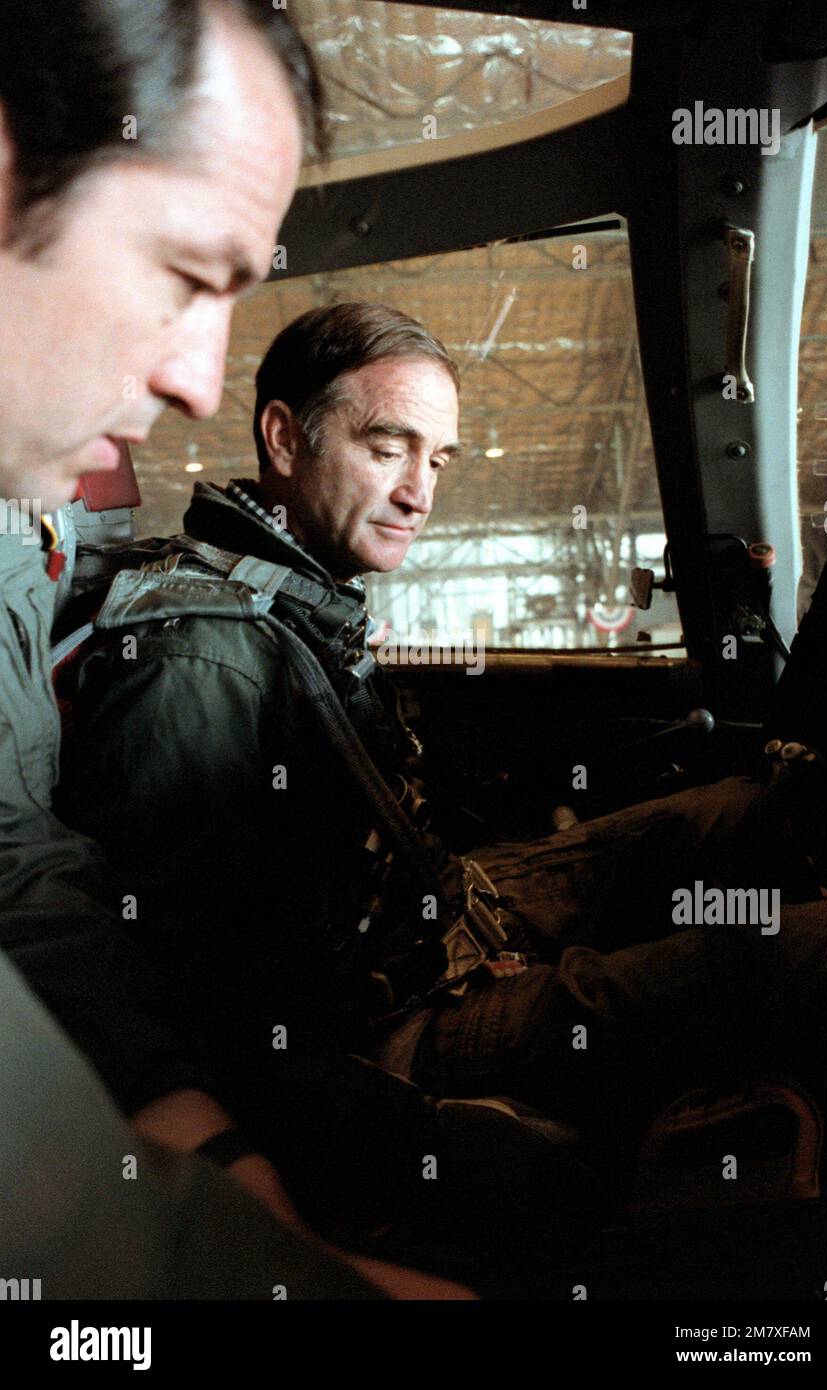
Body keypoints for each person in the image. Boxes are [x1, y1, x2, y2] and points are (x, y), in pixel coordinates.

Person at [65, 301, 827, 1255]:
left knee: (762, 808)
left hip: (433, 912)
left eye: (436, 460)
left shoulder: (290, 598)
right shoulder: (202, 662)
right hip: (388, 1020)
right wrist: (399, 1126)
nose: (419, 494)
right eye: (389, 447)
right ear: (283, 437)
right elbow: (206, 1007)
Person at [0, 1, 469, 1300]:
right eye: (182, 274)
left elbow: (14, 858)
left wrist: (209, 1169)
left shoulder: (15, 538)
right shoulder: (199, 643)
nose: (198, 382)